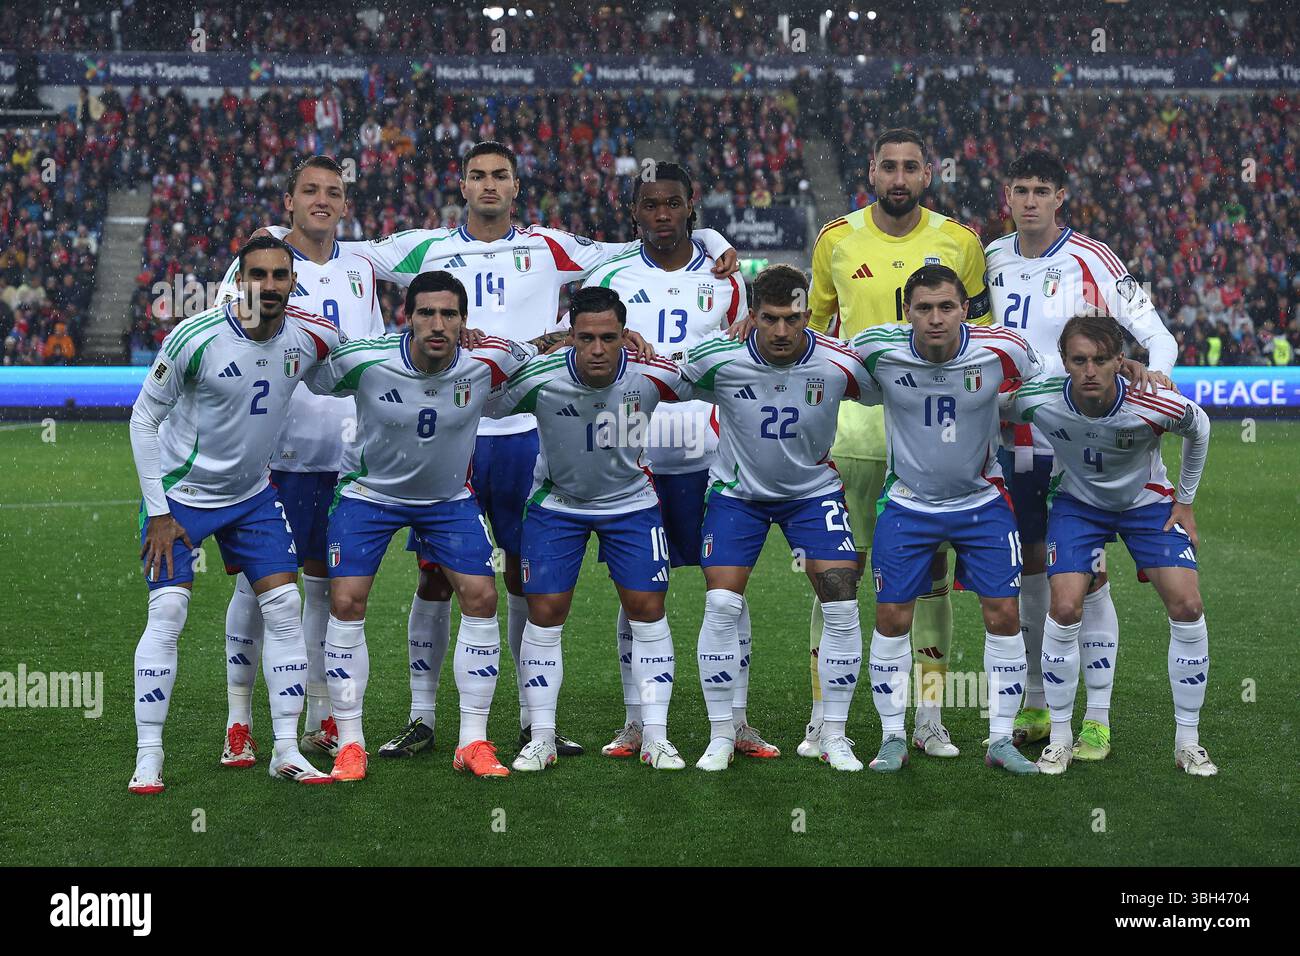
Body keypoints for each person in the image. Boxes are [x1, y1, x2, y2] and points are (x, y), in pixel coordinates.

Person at [284, 141, 739, 760]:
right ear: (462, 185)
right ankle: (423, 718)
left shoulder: (552, 246)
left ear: (517, 186)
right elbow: (337, 245)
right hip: (455, 436)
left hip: (528, 431)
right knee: (440, 583)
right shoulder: (425, 247)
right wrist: (272, 231)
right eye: (478, 176)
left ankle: (534, 721)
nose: (489, 185)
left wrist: (709, 239)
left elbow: (640, 247)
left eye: (500, 176)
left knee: (527, 579)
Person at [302, 271, 564, 782]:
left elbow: (545, 352)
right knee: (346, 602)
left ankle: (473, 739)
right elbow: (315, 376)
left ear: (465, 321)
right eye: (426, 313)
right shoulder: (367, 358)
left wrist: (580, 335)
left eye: (448, 314)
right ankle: (350, 743)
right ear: (408, 318)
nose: (437, 324)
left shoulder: (488, 356)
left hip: (447, 500)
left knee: (482, 598)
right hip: (369, 495)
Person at [801, 128, 990, 760]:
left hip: (935, 439)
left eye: (912, 167)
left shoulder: (960, 242)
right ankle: (824, 718)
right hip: (854, 435)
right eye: (890, 167)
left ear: (928, 173)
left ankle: (929, 717)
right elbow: (816, 334)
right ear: (872, 172)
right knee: (836, 577)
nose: (900, 178)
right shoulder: (836, 238)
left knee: (933, 579)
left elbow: (983, 344)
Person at [127, 236, 341, 794]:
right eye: (258, 275)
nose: (268, 286)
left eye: (279, 276)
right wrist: (157, 513)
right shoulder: (196, 337)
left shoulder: (308, 335)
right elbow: (143, 420)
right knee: (169, 613)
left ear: (293, 281)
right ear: (238, 280)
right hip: (182, 497)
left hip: (251, 495)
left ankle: (287, 751)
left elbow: (346, 365)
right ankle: (149, 755)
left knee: (287, 607)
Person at [582, 161, 779, 761]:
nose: (661, 214)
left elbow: (749, 344)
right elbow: (577, 337)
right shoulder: (611, 272)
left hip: (712, 453)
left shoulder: (727, 276)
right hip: (634, 454)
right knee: (637, 595)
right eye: (649, 205)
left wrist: (723, 247)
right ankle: (637, 719)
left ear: (691, 205)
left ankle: (737, 719)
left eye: (672, 203)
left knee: (728, 592)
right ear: (634, 211)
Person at [986, 149, 1177, 759]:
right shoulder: (990, 259)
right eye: (1022, 190)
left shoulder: (1093, 260)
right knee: (1035, 572)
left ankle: (1096, 717)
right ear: (1007, 196)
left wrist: (1152, 382)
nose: (1031, 200)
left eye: (1043, 189)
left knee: (1089, 580)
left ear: (1061, 196)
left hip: (1080, 447)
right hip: (1012, 442)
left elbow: (1158, 338)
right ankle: (1040, 703)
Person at [216, 156, 386, 769]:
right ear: (288, 200)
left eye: (333, 192)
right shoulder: (258, 262)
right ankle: (240, 723)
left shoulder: (362, 268)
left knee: (321, 589)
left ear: (345, 204)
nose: (322, 200)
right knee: (256, 590)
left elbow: (367, 358)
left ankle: (322, 719)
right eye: (309, 191)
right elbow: (225, 351)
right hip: (270, 460)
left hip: (341, 461)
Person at [681, 265, 876, 773]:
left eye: (793, 318)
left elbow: (899, 380)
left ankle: (834, 733)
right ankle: (723, 732)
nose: (783, 331)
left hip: (813, 493)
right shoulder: (715, 359)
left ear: (809, 314)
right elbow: (655, 377)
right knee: (722, 604)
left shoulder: (841, 364)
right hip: (736, 495)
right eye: (770, 319)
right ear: (752, 317)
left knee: (840, 600)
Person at [850, 264, 1042, 776]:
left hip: (982, 503)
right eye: (923, 308)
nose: (936, 318)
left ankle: (1000, 739)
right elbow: (821, 364)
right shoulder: (876, 348)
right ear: (906, 311)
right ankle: (894, 737)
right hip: (908, 505)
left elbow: (1048, 387)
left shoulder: (1004, 348)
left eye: (947, 307)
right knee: (892, 620)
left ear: (965, 309)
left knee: (1003, 616)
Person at [1006, 314, 1216, 776]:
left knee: (1187, 606)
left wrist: (1185, 501)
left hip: (1147, 505)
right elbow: (993, 412)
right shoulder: (1039, 398)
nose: (1089, 370)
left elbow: (1199, 428)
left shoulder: (1151, 400)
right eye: (1079, 360)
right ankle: (1060, 737)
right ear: (1063, 362)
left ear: (1121, 361)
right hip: (1078, 505)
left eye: (1101, 360)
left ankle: (1188, 742)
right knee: (1063, 609)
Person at [490, 287, 691, 772]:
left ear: (625, 336)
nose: (597, 349)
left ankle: (655, 737)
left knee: (648, 611)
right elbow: (486, 400)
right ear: (570, 338)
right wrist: (537, 344)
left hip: (631, 504)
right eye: (585, 338)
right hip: (557, 504)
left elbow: (711, 377)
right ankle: (541, 737)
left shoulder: (651, 374)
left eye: (608, 337)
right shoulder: (540, 378)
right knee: (546, 614)